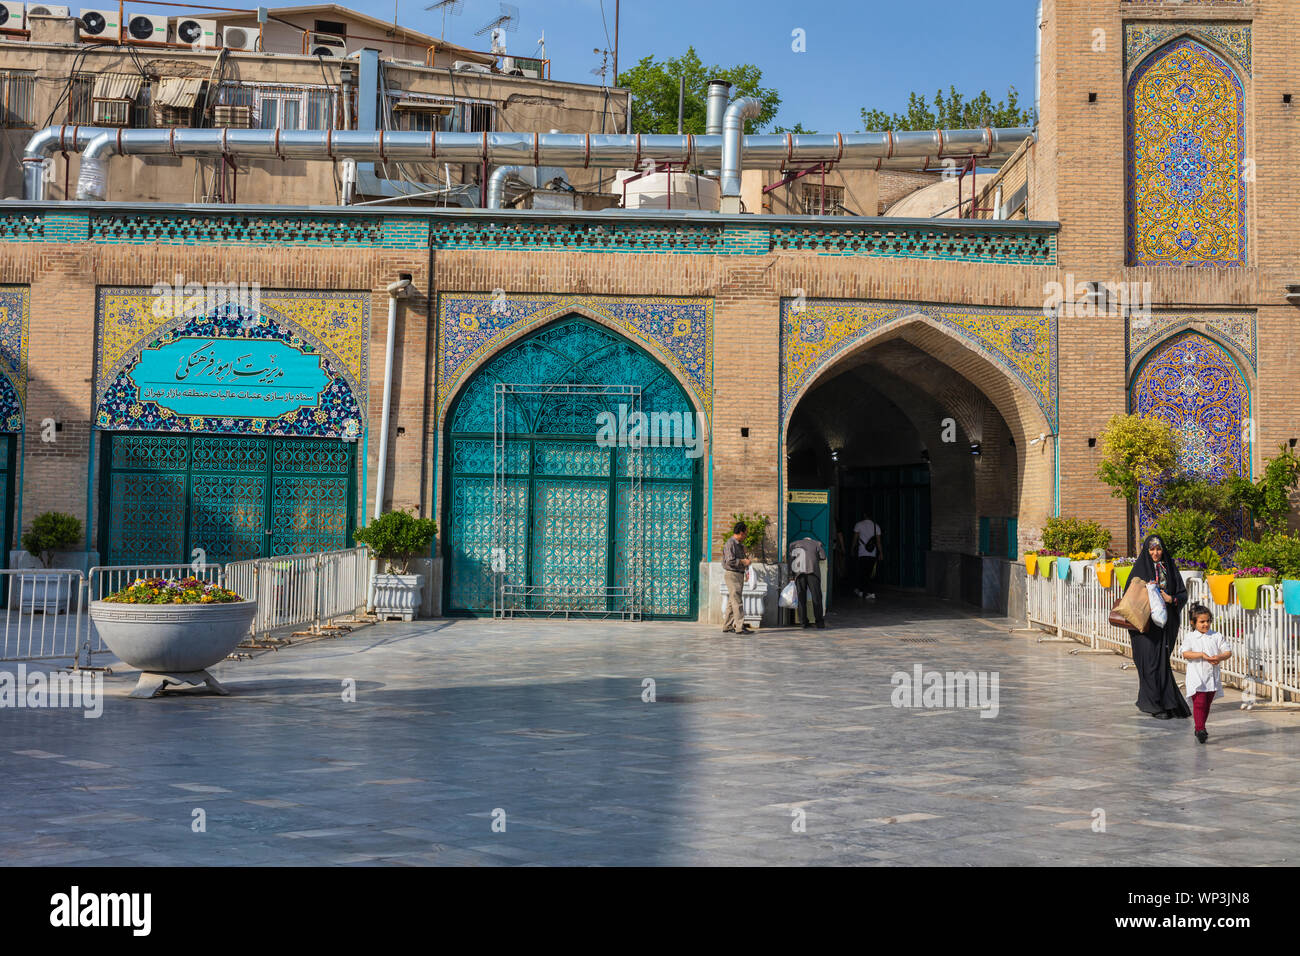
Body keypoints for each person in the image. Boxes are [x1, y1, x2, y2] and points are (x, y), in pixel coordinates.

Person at [1128, 533, 1192, 720]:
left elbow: (1182, 594)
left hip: (1164, 627)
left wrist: (1170, 598)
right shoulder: (1139, 570)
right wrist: (1146, 591)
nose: (1155, 553)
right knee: (1149, 664)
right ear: (1146, 551)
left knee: (1161, 664)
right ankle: (1153, 704)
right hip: (1144, 628)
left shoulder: (1169, 569)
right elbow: (1129, 596)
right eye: (1152, 549)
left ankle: (1168, 703)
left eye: (1158, 549)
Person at [1180, 604, 1232, 744]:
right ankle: (1200, 728)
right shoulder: (1190, 637)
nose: (1206, 624)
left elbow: (1227, 651)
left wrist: (1219, 657)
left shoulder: (1216, 636)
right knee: (1200, 702)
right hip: (1197, 675)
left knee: (1207, 703)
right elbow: (1185, 653)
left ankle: (1200, 727)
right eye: (1202, 622)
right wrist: (1202, 655)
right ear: (1193, 622)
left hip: (1212, 677)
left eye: (1208, 621)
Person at [787, 534, 826, 629]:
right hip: (813, 572)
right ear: (810, 540)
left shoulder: (794, 544)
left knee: (801, 598)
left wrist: (791, 575)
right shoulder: (817, 543)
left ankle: (803, 622)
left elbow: (790, 560)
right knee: (816, 597)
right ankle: (819, 622)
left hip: (799, 573)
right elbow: (823, 557)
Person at [721, 521, 753, 635]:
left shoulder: (738, 544)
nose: (746, 536)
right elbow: (730, 561)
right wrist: (744, 561)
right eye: (745, 534)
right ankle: (739, 627)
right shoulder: (730, 543)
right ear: (741, 533)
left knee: (732, 601)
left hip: (738, 574)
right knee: (737, 601)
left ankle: (727, 626)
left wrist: (744, 553)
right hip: (732, 574)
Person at [851, 512, 882, 600]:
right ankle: (861, 590)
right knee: (868, 573)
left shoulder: (859, 525)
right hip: (872, 553)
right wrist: (881, 553)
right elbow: (879, 542)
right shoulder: (877, 526)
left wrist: (852, 549)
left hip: (862, 553)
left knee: (863, 573)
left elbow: (855, 539)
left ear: (864, 515)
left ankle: (870, 592)